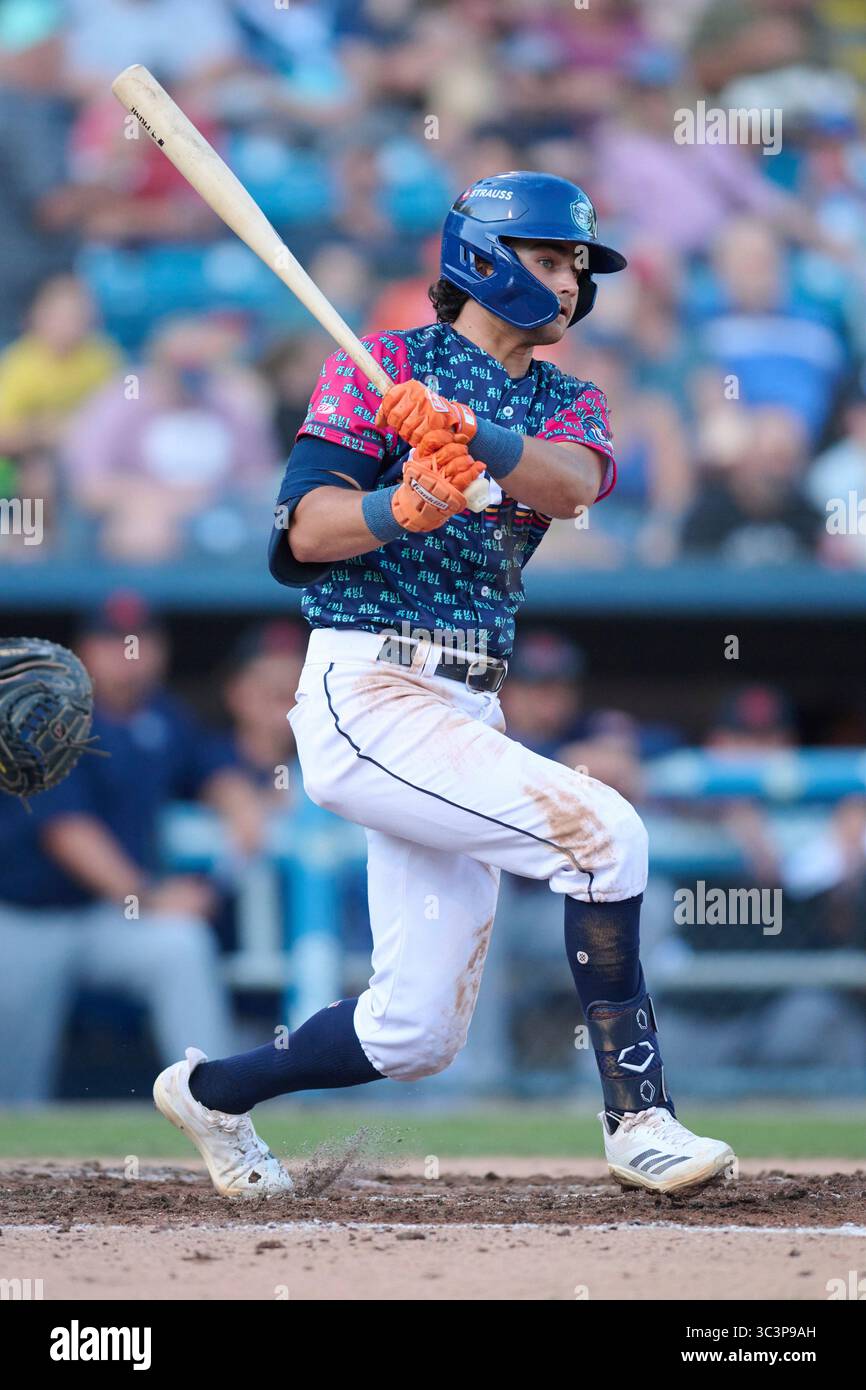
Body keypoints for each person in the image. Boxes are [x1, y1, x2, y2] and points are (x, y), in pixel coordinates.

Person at [153, 171, 734, 1197]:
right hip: (366, 684)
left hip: (466, 701)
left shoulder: (569, 399)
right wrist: (404, 504)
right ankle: (639, 1118)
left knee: (413, 1033)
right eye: (547, 260)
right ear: (483, 260)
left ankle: (211, 1093)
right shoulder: (374, 369)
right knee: (606, 834)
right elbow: (301, 535)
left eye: (574, 268)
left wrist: (474, 435)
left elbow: (573, 482)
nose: (565, 284)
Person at [0, 592, 261, 1103]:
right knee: (13, 1087)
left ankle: (216, 1104)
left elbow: (209, 768)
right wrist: (151, 894)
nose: (128, 655)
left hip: (107, 920)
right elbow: (67, 834)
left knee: (179, 945)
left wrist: (238, 802)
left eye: (139, 643)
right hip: (25, 918)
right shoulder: (46, 715)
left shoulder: (161, 718)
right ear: (83, 652)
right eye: (113, 643)